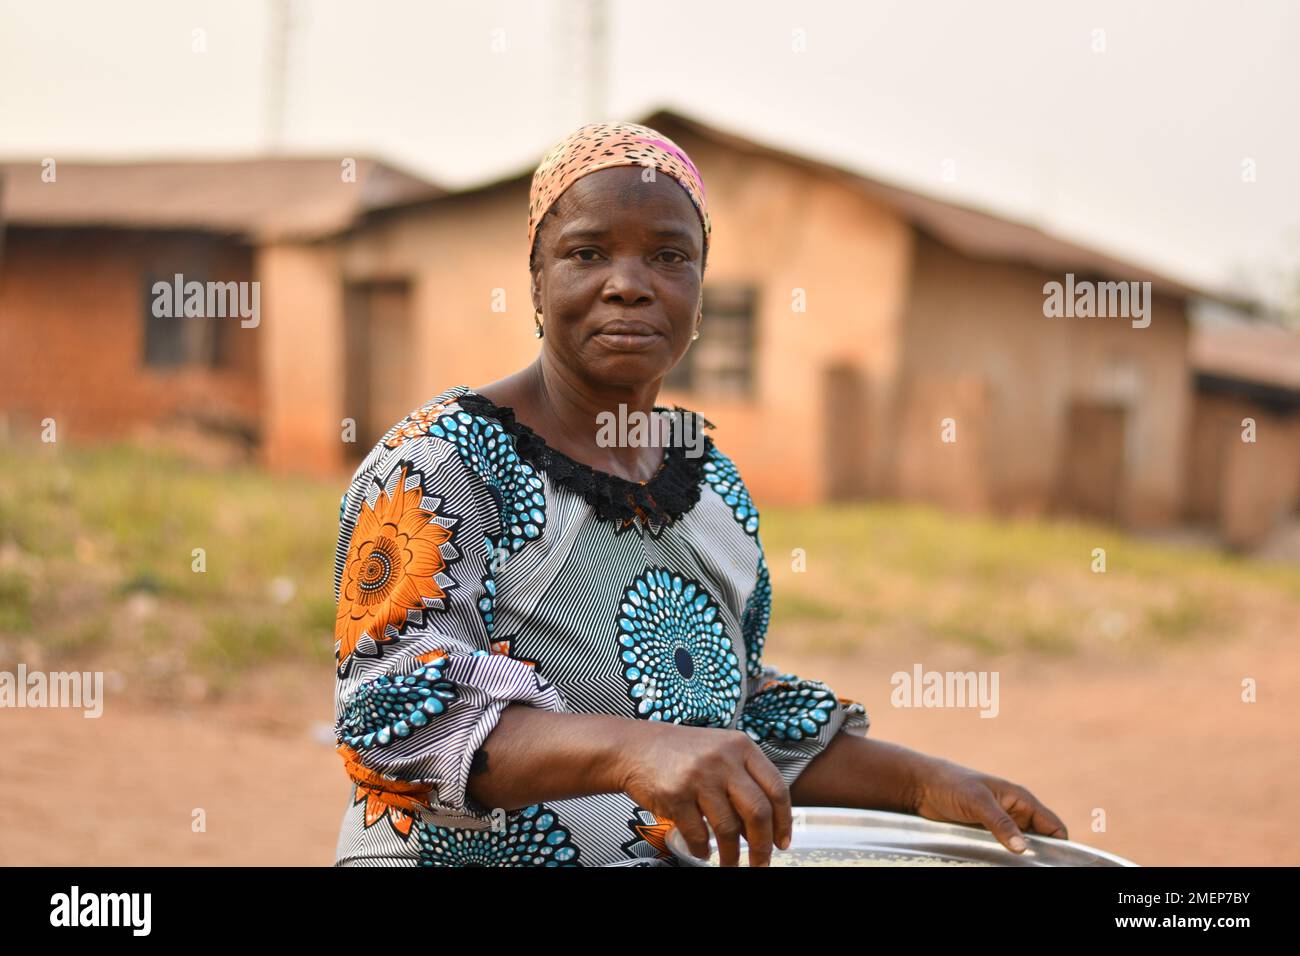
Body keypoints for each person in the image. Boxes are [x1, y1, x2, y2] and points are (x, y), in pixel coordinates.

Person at [331, 121, 1068, 866]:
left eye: (668, 256)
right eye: (587, 253)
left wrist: (923, 784)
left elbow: (738, 720)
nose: (629, 282)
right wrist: (633, 750)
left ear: (700, 290)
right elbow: (390, 718)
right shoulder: (440, 462)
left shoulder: (709, 487)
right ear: (536, 278)